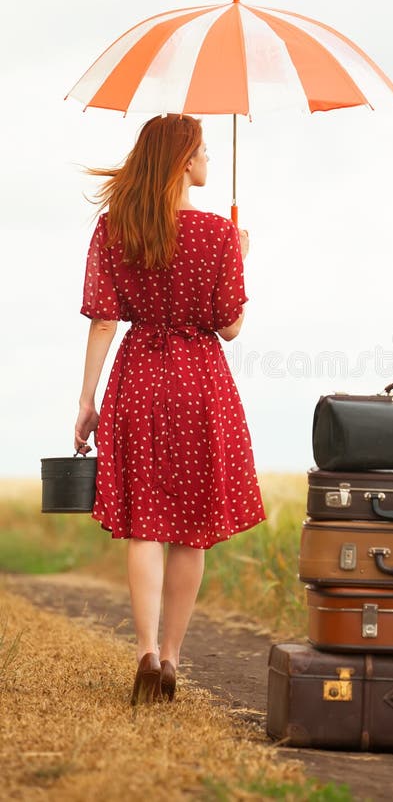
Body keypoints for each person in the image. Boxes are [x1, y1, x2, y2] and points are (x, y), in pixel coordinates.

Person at [73, 114, 265, 705]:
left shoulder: (114, 227)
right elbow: (230, 327)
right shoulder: (217, 235)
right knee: (191, 532)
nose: (209, 158)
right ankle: (176, 659)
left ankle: (146, 654)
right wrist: (242, 253)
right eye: (203, 150)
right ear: (185, 162)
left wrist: (87, 397)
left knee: (145, 527)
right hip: (199, 384)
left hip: (138, 379)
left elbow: (105, 318)